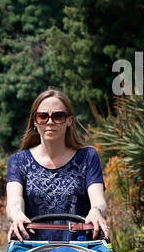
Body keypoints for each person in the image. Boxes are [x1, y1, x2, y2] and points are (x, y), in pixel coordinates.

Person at [6, 88, 111, 242]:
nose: (50, 122)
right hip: (33, 251)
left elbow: (98, 200)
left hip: (80, 250)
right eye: (43, 116)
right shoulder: (18, 161)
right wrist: (17, 214)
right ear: (35, 121)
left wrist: (95, 211)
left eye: (58, 116)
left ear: (69, 121)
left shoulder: (88, 157)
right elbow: (14, 201)